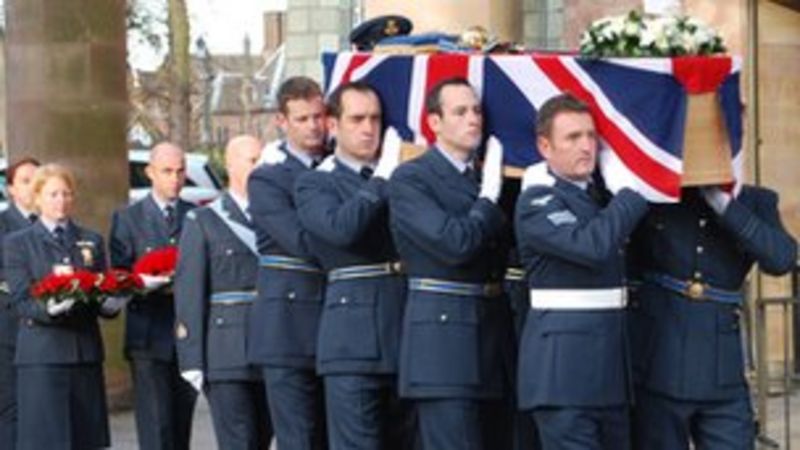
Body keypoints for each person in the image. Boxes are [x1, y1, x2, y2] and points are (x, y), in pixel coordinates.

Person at [514, 94, 648, 450]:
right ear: (545, 146)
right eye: (572, 138)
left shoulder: (598, 197)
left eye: (591, 136)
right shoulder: (537, 201)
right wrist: (629, 196)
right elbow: (592, 247)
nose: (586, 146)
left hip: (609, 376)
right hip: (564, 377)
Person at [387, 77, 513, 450]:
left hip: (493, 334)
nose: (473, 119)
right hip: (443, 343)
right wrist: (489, 198)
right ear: (434, 123)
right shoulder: (411, 178)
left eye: (476, 110)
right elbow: (455, 244)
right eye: (460, 111)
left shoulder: (487, 175)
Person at [628, 186, 797, 447]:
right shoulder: (658, 193)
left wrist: (726, 206)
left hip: (723, 367)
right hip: (659, 358)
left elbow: (781, 259)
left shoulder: (755, 200)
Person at [294, 81, 412, 450]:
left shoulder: (404, 179)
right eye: (357, 118)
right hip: (352, 340)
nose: (368, 128)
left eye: (375, 119)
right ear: (332, 125)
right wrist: (381, 179)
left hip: (407, 329)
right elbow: (342, 229)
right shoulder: (314, 183)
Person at [4, 163, 122, 450]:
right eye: (54, 194)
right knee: (47, 440)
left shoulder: (90, 240)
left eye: (67, 194)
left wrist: (111, 302)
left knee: (85, 438)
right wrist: (50, 309)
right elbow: (20, 299)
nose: (62, 201)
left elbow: (101, 287)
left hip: (83, 352)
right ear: (38, 197)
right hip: (43, 355)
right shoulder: (19, 243)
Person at [175, 135, 273, 449]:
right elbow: (190, 292)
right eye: (252, 160)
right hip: (227, 350)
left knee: (262, 438)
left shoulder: (277, 216)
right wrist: (191, 356)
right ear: (230, 165)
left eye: (263, 160)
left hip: (273, 346)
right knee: (237, 441)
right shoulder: (203, 220)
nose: (260, 168)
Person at [247, 76, 328, 450]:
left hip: (334, 323)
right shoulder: (267, 179)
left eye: (319, 115)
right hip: (288, 327)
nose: (314, 126)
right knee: (299, 438)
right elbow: (301, 240)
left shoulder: (336, 167)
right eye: (302, 118)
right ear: (282, 121)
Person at [109, 142, 197, 450]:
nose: (175, 178)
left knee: (182, 424)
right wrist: (145, 281)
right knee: (155, 426)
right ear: (150, 173)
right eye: (167, 171)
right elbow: (119, 275)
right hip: (148, 331)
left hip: (186, 334)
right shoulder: (128, 219)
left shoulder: (197, 216)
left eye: (181, 171)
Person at [0, 157, 40, 449]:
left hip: (47, 330)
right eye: (25, 180)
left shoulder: (52, 226)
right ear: (11, 189)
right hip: (9, 328)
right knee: (11, 405)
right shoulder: (3, 225)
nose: (33, 186)